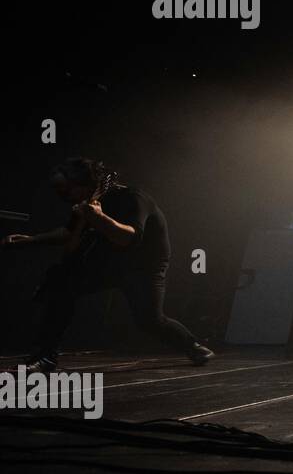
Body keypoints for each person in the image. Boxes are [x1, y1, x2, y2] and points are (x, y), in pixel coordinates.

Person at [1, 158, 214, 372]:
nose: (62, 194)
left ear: (83, 184)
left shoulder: (132, 198)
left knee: (149, 320)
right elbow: (68, 232)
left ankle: (192, 346)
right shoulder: (86, 202)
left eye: (66, 188)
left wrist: (99, 217)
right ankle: (44, 358)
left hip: (143, 267)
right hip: (111, 261)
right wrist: (30, 240)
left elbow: (128, 238)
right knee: (61, 285)